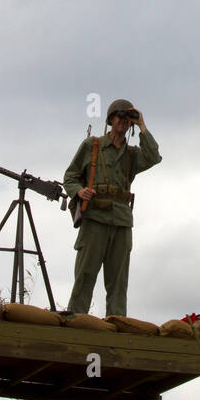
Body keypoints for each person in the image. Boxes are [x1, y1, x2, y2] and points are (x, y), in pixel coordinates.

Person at [61, 98, 161, 316]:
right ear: (110, 119)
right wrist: (79, 191)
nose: (123, 122)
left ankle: (116, 325)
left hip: (121, 222)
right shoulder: (92, 146)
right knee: (85, 276)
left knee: (118, 282)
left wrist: (142, 125)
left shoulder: (132, 154)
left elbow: (154, 157)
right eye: (119, 117)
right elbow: (70, 177)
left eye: (128, 119)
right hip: (95, 218)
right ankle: (76, 322)